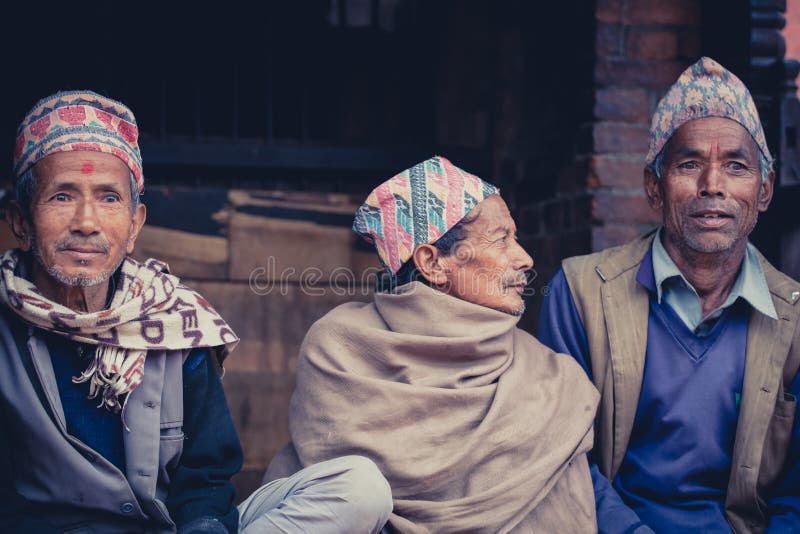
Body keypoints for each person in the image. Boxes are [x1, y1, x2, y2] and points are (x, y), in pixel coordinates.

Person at [0, 90, 392, 533]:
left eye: (109, 198)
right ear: (21, 221)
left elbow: (205, 477)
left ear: (134, 226)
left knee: (359, 488)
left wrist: (204, 526)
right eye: (62, 197)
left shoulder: (175, 322)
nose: (87, 222)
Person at [265, 155, 600, 533]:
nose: (524, 257)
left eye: (516, 237)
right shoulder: (340, 348)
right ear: (433, 263)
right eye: (501, 238)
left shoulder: (545, 375)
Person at [538, 57, 800, 533]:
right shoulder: (578, 293)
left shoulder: (797, 322)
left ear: (763, 191)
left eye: (736, 166)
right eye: (690, 164)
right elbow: (561, 458)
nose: (712, 186)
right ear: (654, 188)